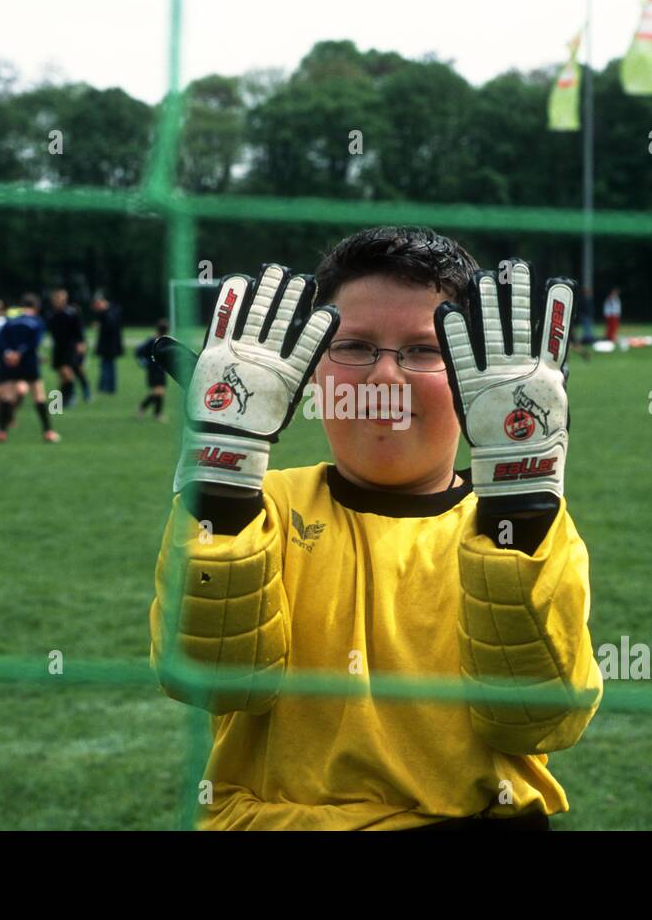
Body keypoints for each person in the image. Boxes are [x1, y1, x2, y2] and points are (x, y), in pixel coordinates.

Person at [147, 226, 602, 831]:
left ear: (475, 375)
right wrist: (224, 494)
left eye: (424, 350)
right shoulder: (258, 508)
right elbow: (212, 680)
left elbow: (541, 719)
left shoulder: (527, 524)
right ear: (309, 369)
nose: (386, 379)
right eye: (355, 347)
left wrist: (515, 517)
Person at [0, 293, 60, 443]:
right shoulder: (36, 321)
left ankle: (2, 433)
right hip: (28, 361)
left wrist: (8, 354)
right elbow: (35, 342)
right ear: (36, 307)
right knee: (38, 395)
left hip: (9, 362)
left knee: (7, 396)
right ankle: (48, 432)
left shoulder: (9, 321)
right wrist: (20, 354)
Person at [47, 288, 89, 406]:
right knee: (62, 376)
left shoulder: (71, 313)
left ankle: (70, 397)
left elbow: (79, 330)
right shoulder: (52, 314)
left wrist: (81, 344)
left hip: (70, 347)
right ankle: (60, 401)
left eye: (60, 299)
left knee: (68, 373)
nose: (58, 301)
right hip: (58, 348)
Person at [135, 319, 170, 421]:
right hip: (154, 370)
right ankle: (147, 409)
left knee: (160, 392)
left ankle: (155, 413)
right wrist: (145, 362)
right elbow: (139, 352)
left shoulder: (161, 340)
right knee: (158, 392)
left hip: (161, 369)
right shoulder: (153, 340)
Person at [92, 295, 124, 394]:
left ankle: (108, 387)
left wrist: (100, 325)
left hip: (110, 345)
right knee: (105, 366)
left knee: (108, 366)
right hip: (108, 345)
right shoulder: (110, 311)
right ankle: (104, 387)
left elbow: (110, 326)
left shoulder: (111, 311)